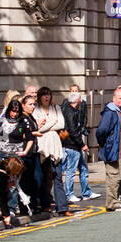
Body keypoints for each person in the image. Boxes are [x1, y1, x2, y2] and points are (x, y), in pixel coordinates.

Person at [30, 87, 70, 216]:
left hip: (55, 147)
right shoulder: (35, 110)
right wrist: (53, 122)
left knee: (57, 177)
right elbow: (38, 129)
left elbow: (61, 124)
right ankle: (45, 204)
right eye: (44, 95)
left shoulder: (56, 108)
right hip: (42, 147)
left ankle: (62, 207)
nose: (47, 97)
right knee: (42, 177)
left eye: (49, 94)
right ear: (40, 97)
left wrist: (46, 124)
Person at [94, 86, 121, 211]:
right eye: (119, 98)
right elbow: (101, 131)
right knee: (114, 177)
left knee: (120, 177)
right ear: (114, 98)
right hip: (113, 150)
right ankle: (112, 203)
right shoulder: (110, 112)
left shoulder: (120, 111)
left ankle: (116, 200)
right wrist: (105, 144)